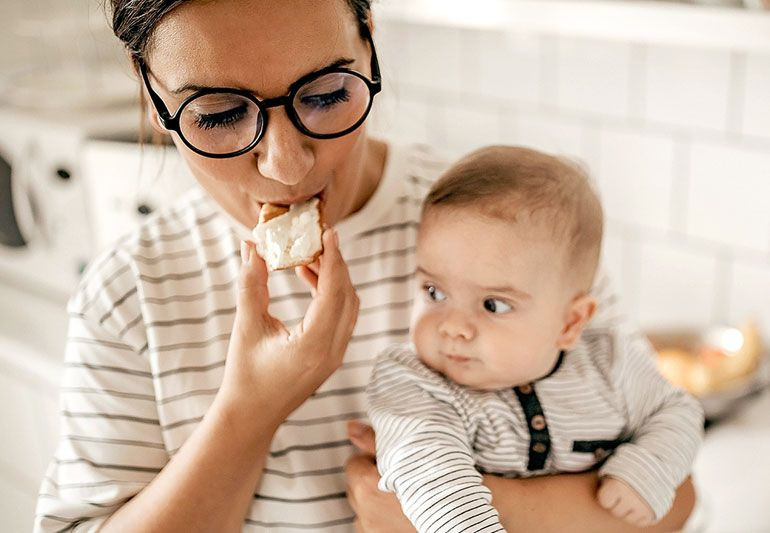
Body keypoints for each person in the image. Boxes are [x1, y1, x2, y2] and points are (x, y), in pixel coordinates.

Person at [34, 0, 696, 531]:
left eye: (325, 94)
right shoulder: (128, 296)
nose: (286, 166)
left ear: (370, 39)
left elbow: (672, 497)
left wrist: (440, 509)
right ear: (150, 93)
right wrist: (249, 411)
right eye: (219, 115)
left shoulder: (506, 224)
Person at [366, 146, 704, 533]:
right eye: (434, 292)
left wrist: (646, 470)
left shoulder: (609, 363)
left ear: (569, 323)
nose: (453, 326)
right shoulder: (413, 384)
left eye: (493, 304)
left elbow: (679, 411)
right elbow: (429, 469)